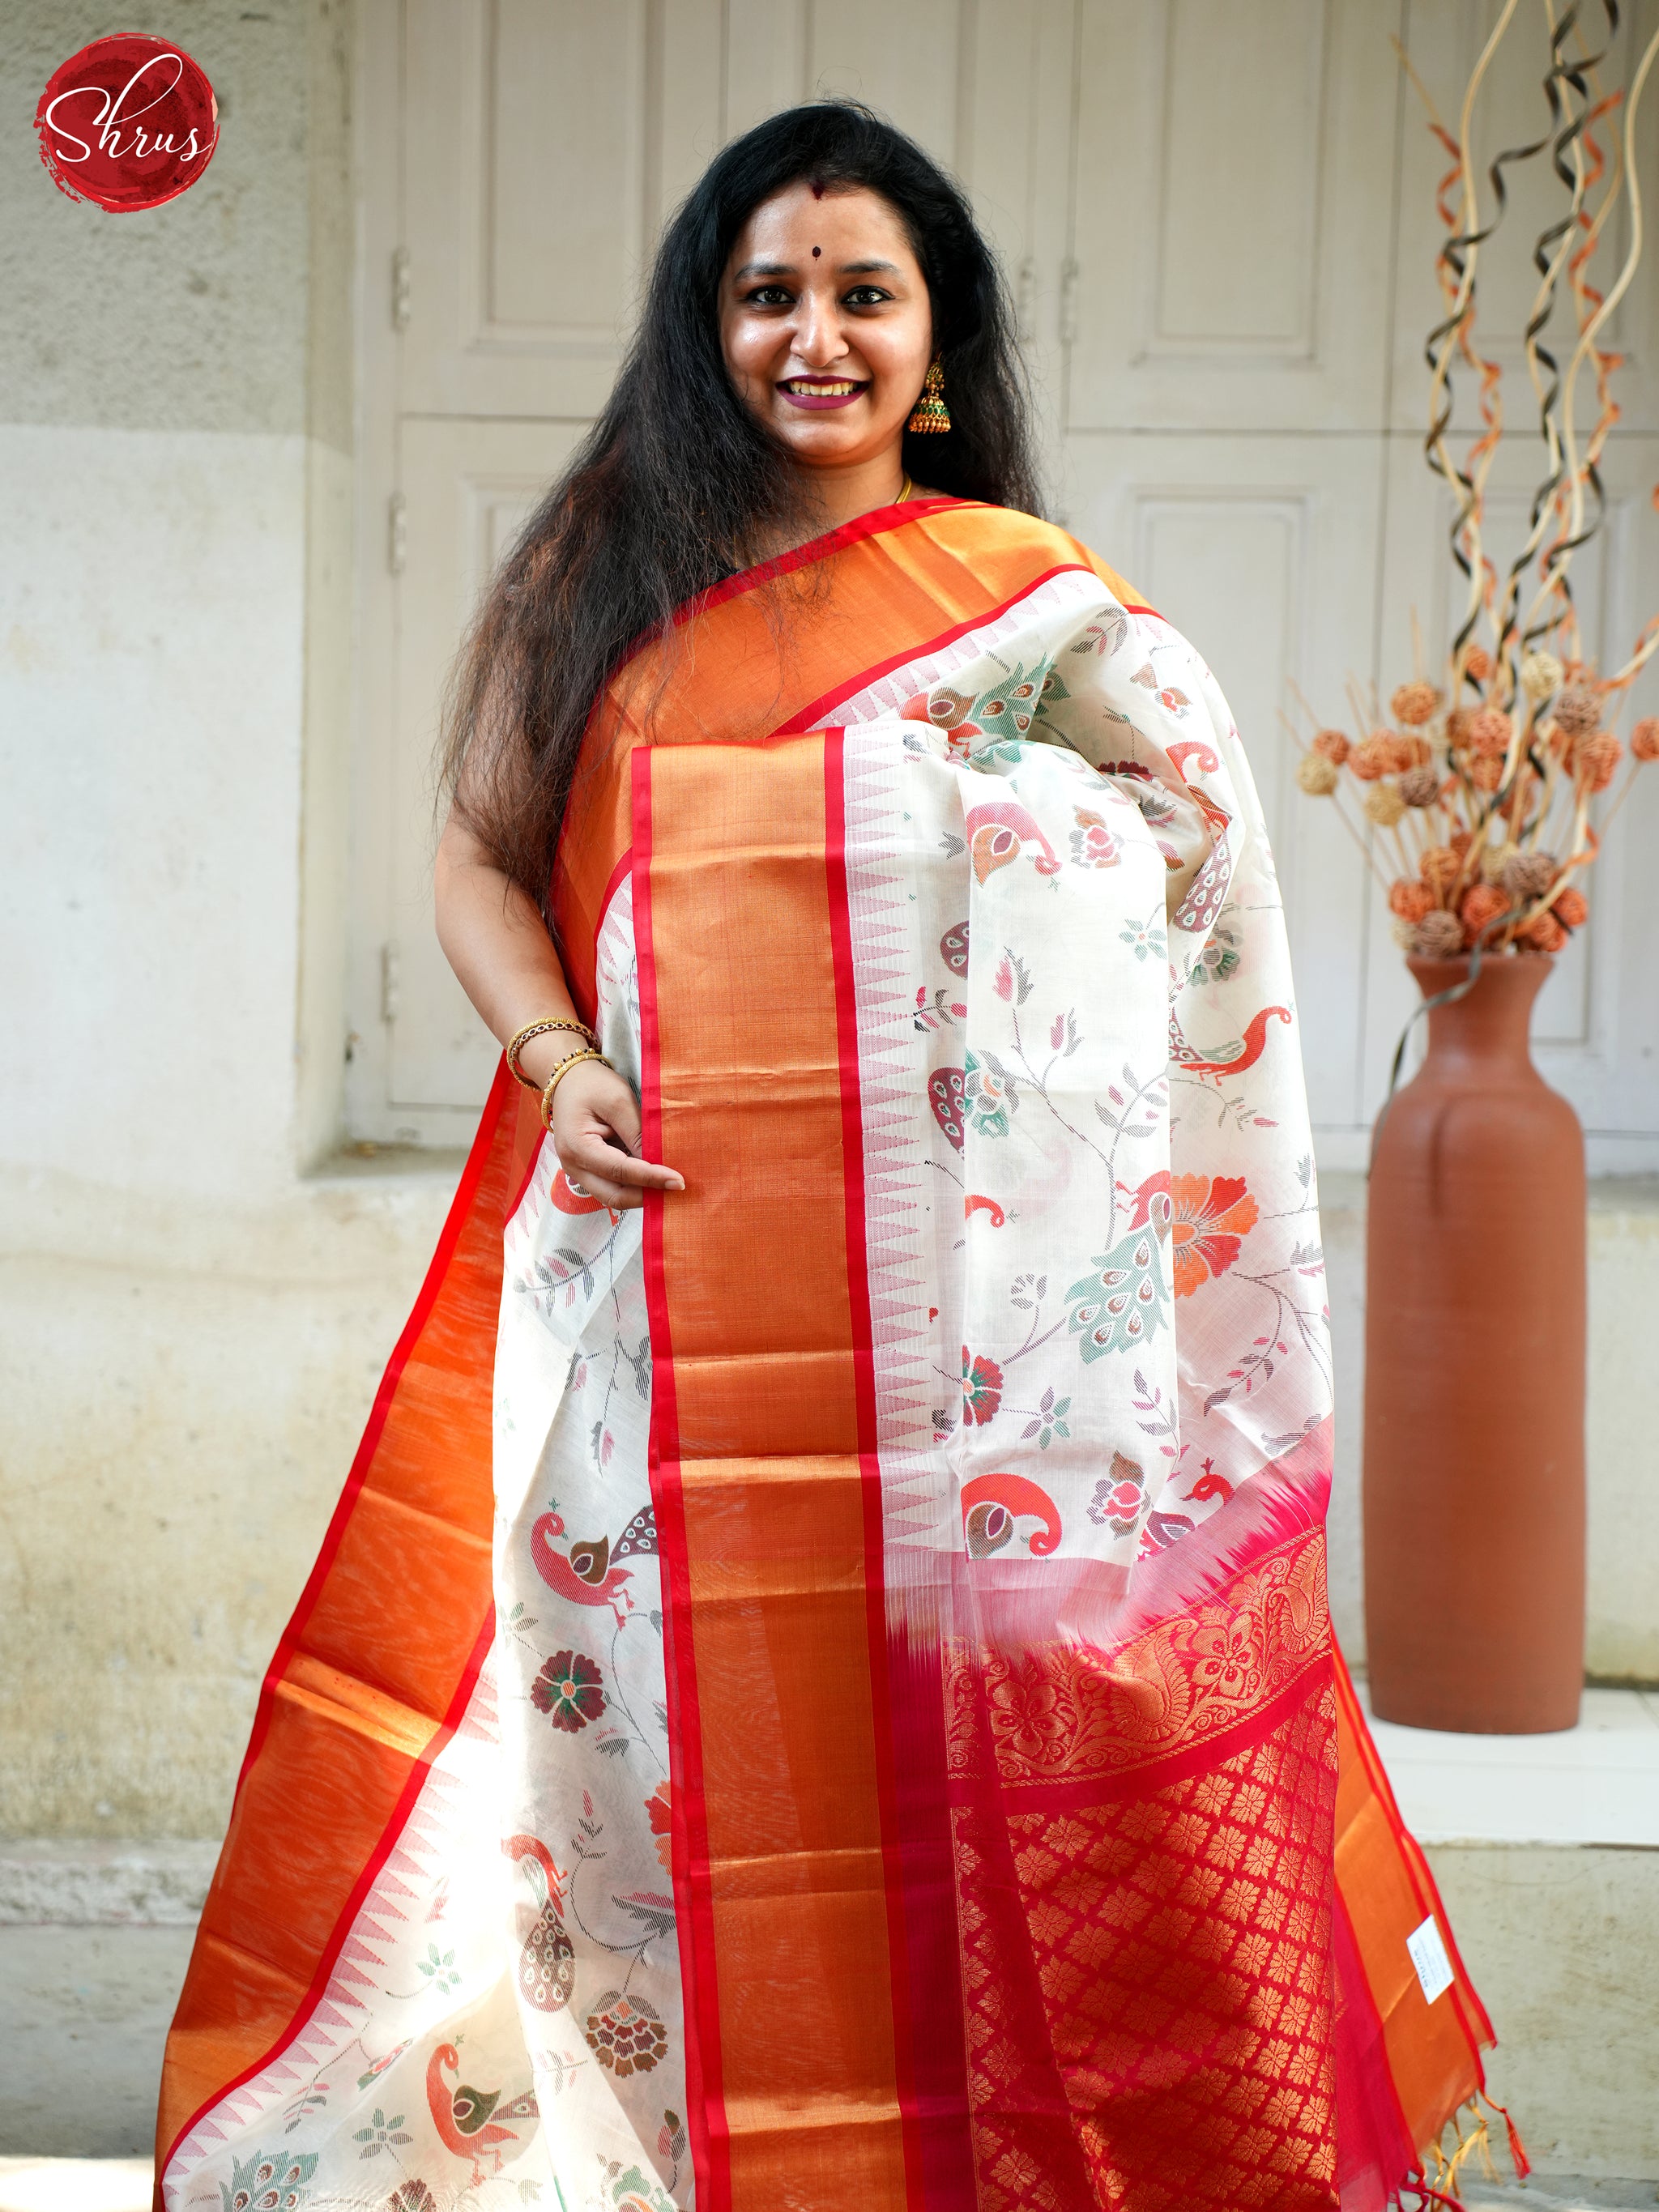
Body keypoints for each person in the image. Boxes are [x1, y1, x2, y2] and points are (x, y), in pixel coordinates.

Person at [157, 102, 1501, 2212]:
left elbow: (1188, 863)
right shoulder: (605, 571)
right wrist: (555, 1055)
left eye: (865, 294)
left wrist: (973, 834)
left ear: (936, 335)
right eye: (768, 293)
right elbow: (481, 857)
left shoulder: (1030, 608)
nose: (817, 336)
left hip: (975, 1346)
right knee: (656, 1763)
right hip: (658, 1285)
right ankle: (686, 2162)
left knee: (945, 1754)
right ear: (707, 329)